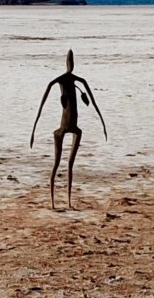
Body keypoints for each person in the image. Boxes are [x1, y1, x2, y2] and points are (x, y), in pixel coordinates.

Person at [29, 50, 107, 210]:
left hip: (75, 127)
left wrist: (102, 123)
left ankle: (69, 202)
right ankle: (53, 203)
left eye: (72, 61)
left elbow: (93, 102)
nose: (71, 65)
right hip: (62, 128)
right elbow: (43, 102)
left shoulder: (80, 80)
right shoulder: (60, 80)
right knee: (56, 164)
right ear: (66, 63)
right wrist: (34, 130)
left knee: (70, 164)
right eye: (69, 62)